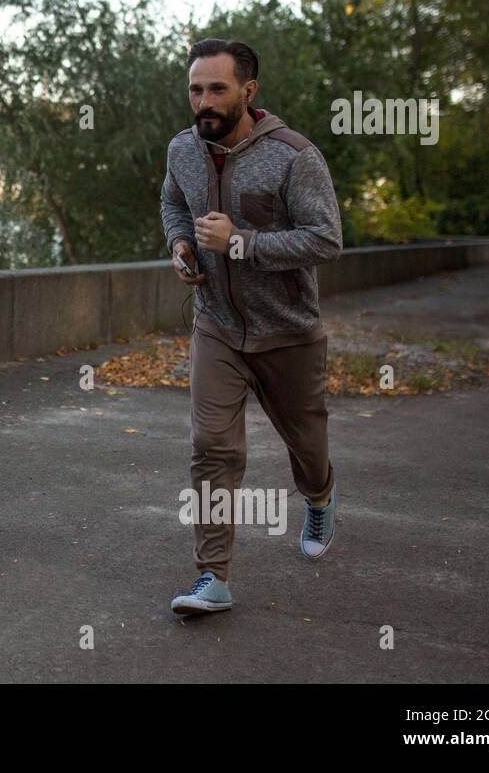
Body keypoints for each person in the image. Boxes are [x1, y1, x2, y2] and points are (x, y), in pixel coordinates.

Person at [159, 38, 343, 616]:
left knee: (306, 446)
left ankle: (319, 497)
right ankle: (212, 576)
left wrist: (242, 243)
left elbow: (326, 240)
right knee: (211, 448)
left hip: (287, 332)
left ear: (248, 91)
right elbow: (172, 204)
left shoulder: (295, 156)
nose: (204, 101)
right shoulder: (182, 150)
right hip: (216, 325)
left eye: (217, 89)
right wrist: (181, 243)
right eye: (195, 89)